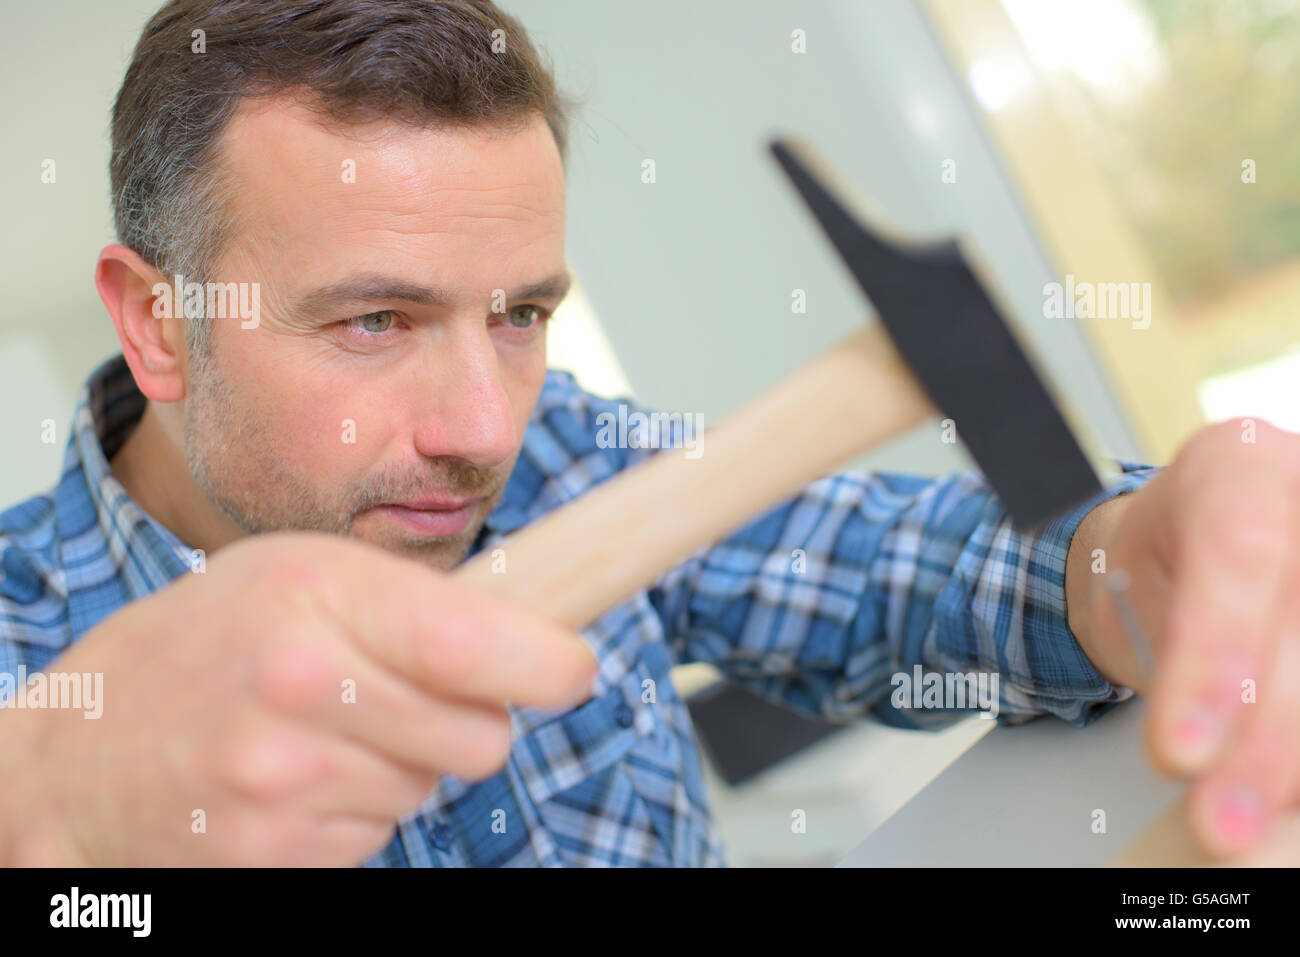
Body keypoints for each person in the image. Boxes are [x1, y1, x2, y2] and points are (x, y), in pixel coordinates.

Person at [1, 0, 1295, 867]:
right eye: (376, 321)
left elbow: (926, 580)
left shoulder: (586, 462)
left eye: (521, 314)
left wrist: (1139, 561)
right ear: (159, 322)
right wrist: (47, 810)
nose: (483, 425)